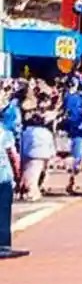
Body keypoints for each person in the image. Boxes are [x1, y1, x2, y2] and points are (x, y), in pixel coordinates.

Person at [0, 100, 28, 259]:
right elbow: (13, 156)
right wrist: (19, 176)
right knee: (3, 211)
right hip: (3, 177)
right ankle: (3, 245)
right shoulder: (3, 132)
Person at [18, 111, 56, 201]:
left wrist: (22, 156)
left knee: (31, 175)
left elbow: (23, 145)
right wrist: (52, 156)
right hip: (44, 155)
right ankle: (34, 191)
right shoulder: (46, 132)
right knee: (38, 174)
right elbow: (51, 145)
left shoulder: (26, 131)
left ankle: (32, 193)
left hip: (30, 155)